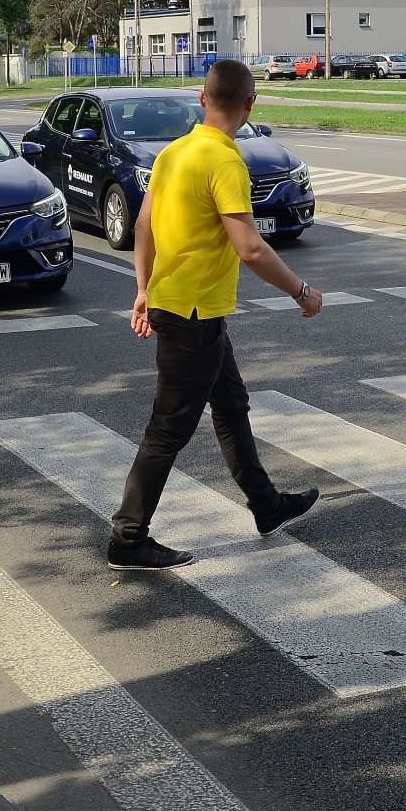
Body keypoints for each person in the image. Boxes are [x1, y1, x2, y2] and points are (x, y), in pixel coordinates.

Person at [108, 60, 324, 570]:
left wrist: (143, 289)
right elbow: (249, 247)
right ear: (250, 107)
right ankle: (127, 538)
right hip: (194, 314)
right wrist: (301, 291)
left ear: (202, 101)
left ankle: (266, 505)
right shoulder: (226, 161)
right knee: (168, 429)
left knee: (230, 403)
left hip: (178, 303)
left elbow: (143, 228)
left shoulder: (173, 153)